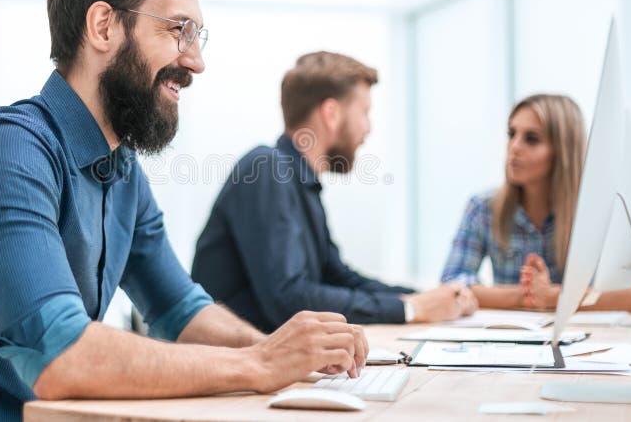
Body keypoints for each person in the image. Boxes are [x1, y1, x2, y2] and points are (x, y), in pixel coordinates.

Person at [0, 0, 368, 422]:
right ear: (103, 26)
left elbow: (181, 310)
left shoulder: (123, 170)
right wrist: (258, 363)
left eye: (197, 36)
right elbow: (60, 356)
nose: (196, 60)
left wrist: (290, 356)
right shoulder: (8, 150)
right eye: (178, 30)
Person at [191, 51, 478, 333]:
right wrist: (410, 309)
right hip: (230, 368)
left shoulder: (299, 182)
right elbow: (289, 301)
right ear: (331, 114)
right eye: (364, 112)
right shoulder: (267, 168)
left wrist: (423, 298)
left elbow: (336, 276)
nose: (368, 128)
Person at [441, 94, 631, 311]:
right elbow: (451, 285)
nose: (514, 147)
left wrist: (555, 297)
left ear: (563, 151)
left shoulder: (602, 212)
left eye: (531, 139)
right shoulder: (482, 208)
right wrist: (524, 296)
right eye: (512, 134)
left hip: (589, 339)